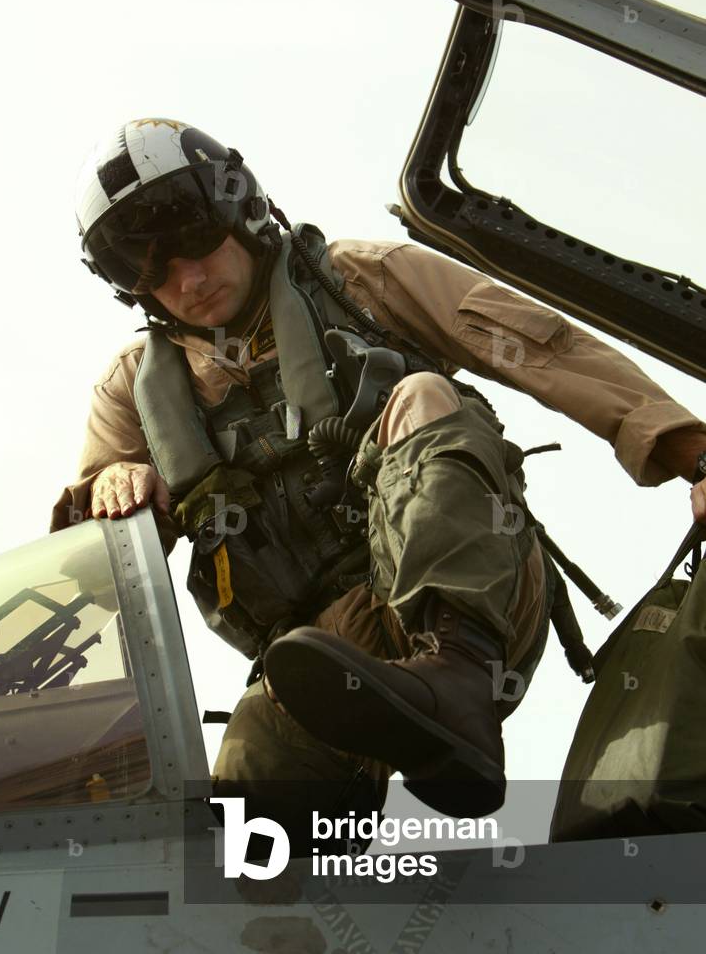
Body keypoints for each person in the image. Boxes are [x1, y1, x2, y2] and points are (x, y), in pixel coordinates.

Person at [52, 117, 706, 841]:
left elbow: (542, 349)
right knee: (245, 830)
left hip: (472, 605)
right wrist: (114, 491)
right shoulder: (132, 391)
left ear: (236, 206)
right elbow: (91, 580)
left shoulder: (362, 279)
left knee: (420, 397)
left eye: (194, 238)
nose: (187, 278)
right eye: (148, 270)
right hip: (320, 662)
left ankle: (452, 680)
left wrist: (693, 454)